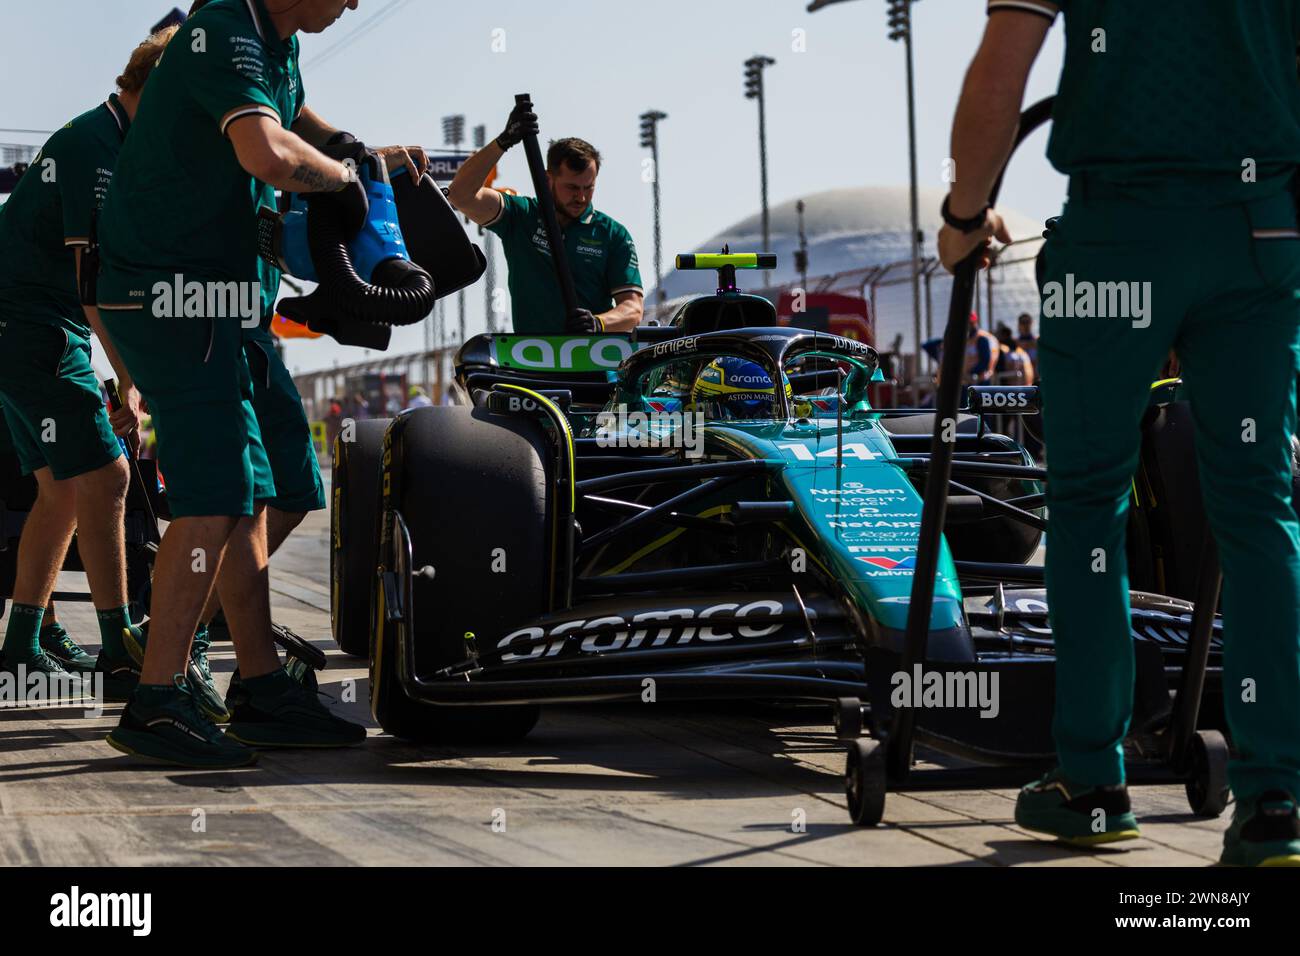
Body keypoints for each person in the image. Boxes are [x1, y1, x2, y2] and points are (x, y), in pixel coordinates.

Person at [939, 0, 1300, 866]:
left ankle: (1093, 786)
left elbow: (1002, 73)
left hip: (1119, 234)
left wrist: (963, 217)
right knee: (1260, 509)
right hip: (1262, 227)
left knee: (1088, 502)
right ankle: (1274, 801)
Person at [94, 0, 385, 767]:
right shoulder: (225, 28)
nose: (354, 2)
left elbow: (293, 116)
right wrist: (337, 178)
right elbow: (264, 152)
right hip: (172, 292)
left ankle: (257, 686)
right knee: (215, 495)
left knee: (249, 493)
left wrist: (344, 146)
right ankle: (156, 699)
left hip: (217, 297)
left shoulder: (271, 36)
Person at [0, 29, 174, 690]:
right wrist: (130, 381)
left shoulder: (111, 141)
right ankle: (119, 649)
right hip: (33, 324)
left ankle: (22, 644)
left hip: (35, 324)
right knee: (108, 479)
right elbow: (94, 280)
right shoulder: (93, 148)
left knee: (66, 488)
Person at [448, 102, 644, 334]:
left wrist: (598, 323)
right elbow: (460, 195)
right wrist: (503, 141)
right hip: (532, 361)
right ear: (547, 179)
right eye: (572, 187)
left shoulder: (612, 234)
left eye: (588, 187)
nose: (581, 197)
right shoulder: (521, 216)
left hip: (593, 362)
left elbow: (633, 309)